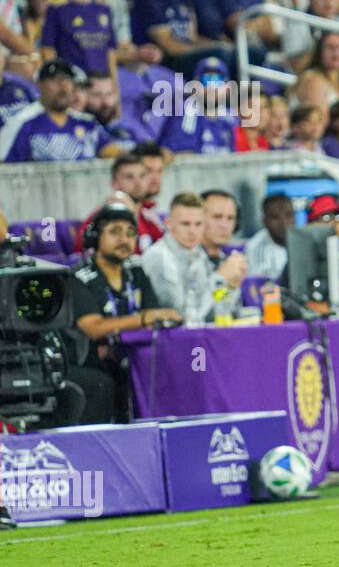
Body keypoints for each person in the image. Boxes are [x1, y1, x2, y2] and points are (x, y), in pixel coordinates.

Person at [69, 203, 182, 423]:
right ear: (95, 237)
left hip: (131, 356)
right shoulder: (79, 277)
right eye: (115, 232)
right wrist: (141, 319)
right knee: (104, 382)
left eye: (131, 233)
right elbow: (94, 328)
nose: (124, 239)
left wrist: (149, 318)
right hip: (89, 361)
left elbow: (153, 315)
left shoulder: (136, 270)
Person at [140, 191, 245, 325]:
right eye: (185, 224)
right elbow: (181, 317)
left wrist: (231, 287)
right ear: (169, 223)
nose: (192, 231)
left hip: (194, 340)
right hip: (164, 342)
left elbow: (212, 313)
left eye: (198, 224)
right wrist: (219, 279)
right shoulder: (160, 257)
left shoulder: (197, 253)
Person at [1, 59, 124, 162]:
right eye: (55, 80)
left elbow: (109, 150)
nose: (63, 87)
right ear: (40, 85)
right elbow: (5, 164)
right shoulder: (22, 121)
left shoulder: (86, 122)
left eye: (68, 80)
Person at [243, 192, 292, 279]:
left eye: (288, 215)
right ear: (264, 220)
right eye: (275, 217)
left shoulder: (302, 240)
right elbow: (258, 287)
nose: (284, 223)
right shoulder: (256, 247)